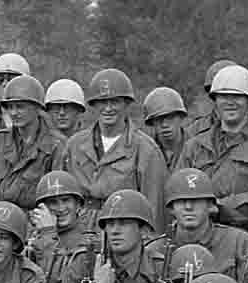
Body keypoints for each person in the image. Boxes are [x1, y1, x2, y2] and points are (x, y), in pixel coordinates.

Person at [183, 66, 248, 236]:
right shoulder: (195, 145)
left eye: (237, 96)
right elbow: (179, 190)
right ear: (215, 100)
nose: (230, 102)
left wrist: (216, 207)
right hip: (201, 238)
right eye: (223, 96)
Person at [64, 68, 169, 214]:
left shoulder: (146, 150)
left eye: (115, 101)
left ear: (126, 104)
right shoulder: (74, 145)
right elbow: (61, 196)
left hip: (124, 227)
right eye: (102, 102)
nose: (108, 108)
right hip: (80, 228)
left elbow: (155, 208)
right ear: (93, 104)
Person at [0, 76, 59, 209]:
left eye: (20, 107)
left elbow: (58, 197)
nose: (13, 113)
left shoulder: (55, 146)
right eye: (10, 107)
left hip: (36, 223)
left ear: (37, 108)